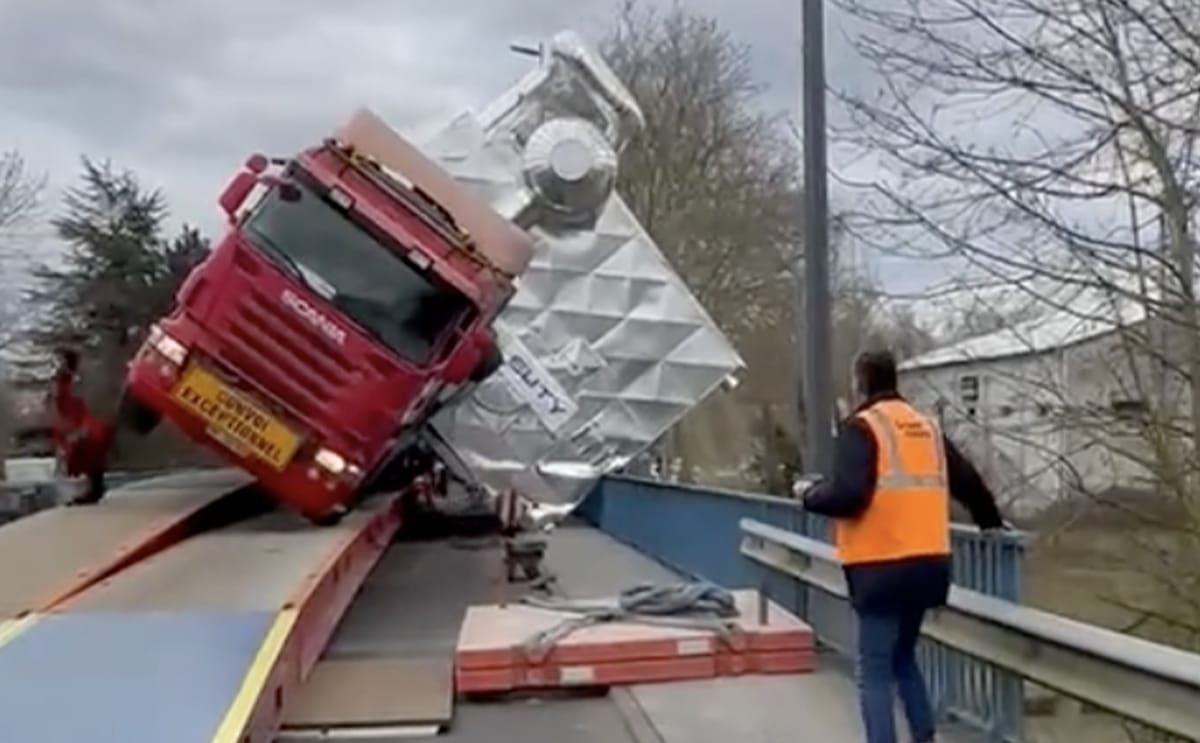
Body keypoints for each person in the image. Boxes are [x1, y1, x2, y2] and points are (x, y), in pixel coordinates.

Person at [799, 348, 1006, 743]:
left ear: (859, 382)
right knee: (903, 657)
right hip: (929, 564)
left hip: (881, 566)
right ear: (894, 380)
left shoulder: (861, 427)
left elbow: (849, 495)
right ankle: (924, 737)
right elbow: (968, 481)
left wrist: (808, 495)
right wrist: (990, 522)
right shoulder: (925, 427)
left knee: (873, 671)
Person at [48, 347, 114, 505]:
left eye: (60, 360)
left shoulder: (74, 381)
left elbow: (78, 402)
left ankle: (93, 488)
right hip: (72, 419)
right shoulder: (63, 380)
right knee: (81, 452)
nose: (57, 363)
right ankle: (92, 488)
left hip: (78, 419)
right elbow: (60, 402)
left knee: (85, 449)